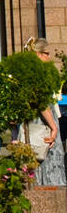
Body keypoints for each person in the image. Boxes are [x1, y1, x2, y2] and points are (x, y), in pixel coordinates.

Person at [26, 39, 66, 187]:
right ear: (37, 54)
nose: (49, 57)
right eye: (46, 53)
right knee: (47, 158)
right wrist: (54, 127)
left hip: (40, 121)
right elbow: (42, 103)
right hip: (43, 123)